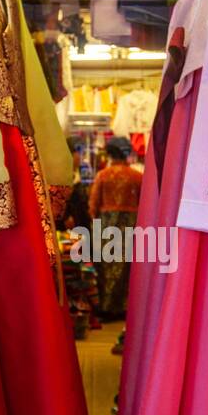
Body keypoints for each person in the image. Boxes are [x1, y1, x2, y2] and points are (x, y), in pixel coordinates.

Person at [89, 136, 144, 319]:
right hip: (131, 223)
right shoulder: (137, 177)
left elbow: (93, 204)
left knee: (106, 264)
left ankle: (106, 306)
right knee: (128, 265)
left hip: (106, 224)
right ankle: (125, 307)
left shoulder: (103, 175)